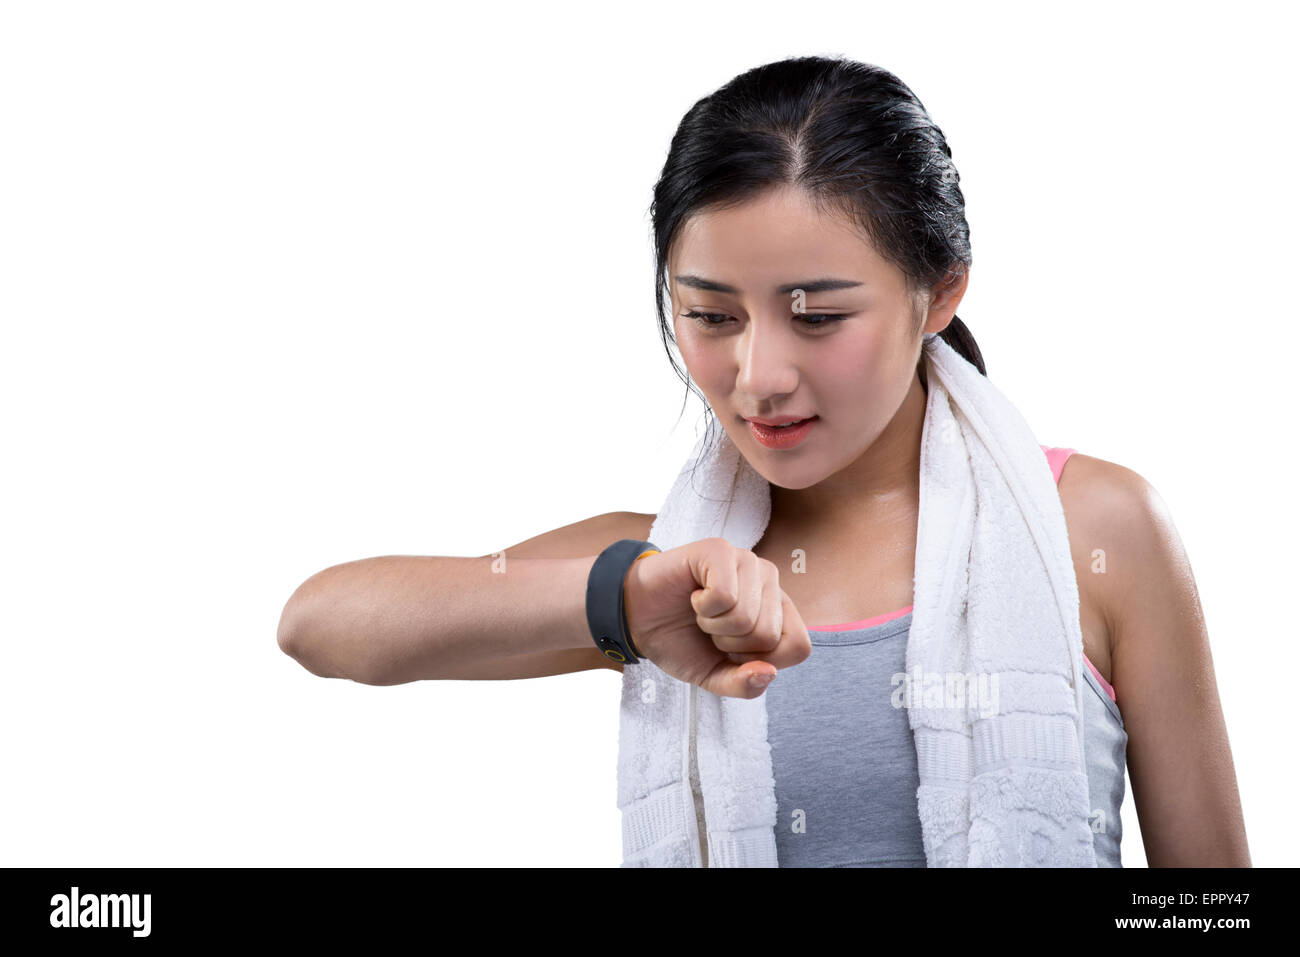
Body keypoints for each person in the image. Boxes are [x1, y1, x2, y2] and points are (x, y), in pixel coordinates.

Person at [276, 55, 1249, 867]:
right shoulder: (663, 565)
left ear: (939, 291)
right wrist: (624, 600)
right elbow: (323, 625)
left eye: (817, 316)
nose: (757, 376)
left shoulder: (1090, 527)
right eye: (709, 315)